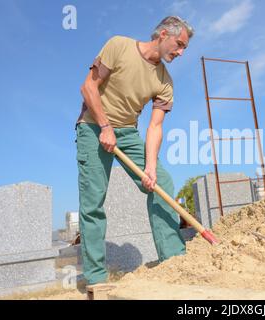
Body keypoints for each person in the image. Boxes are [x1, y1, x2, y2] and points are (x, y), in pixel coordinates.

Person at [75, 16, 194, 285]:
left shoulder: (165, 81)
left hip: (128, 133)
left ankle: (173, 259)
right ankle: (96, 278)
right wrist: (105, 126)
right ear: (163, 34)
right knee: (93, 201)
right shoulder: (119, 46)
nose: (181, 52)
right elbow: (88, 87)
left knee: (160, 181)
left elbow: (155, 126)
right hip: (93, 126)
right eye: (179, 44)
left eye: (185, 48)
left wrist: (150, 166)